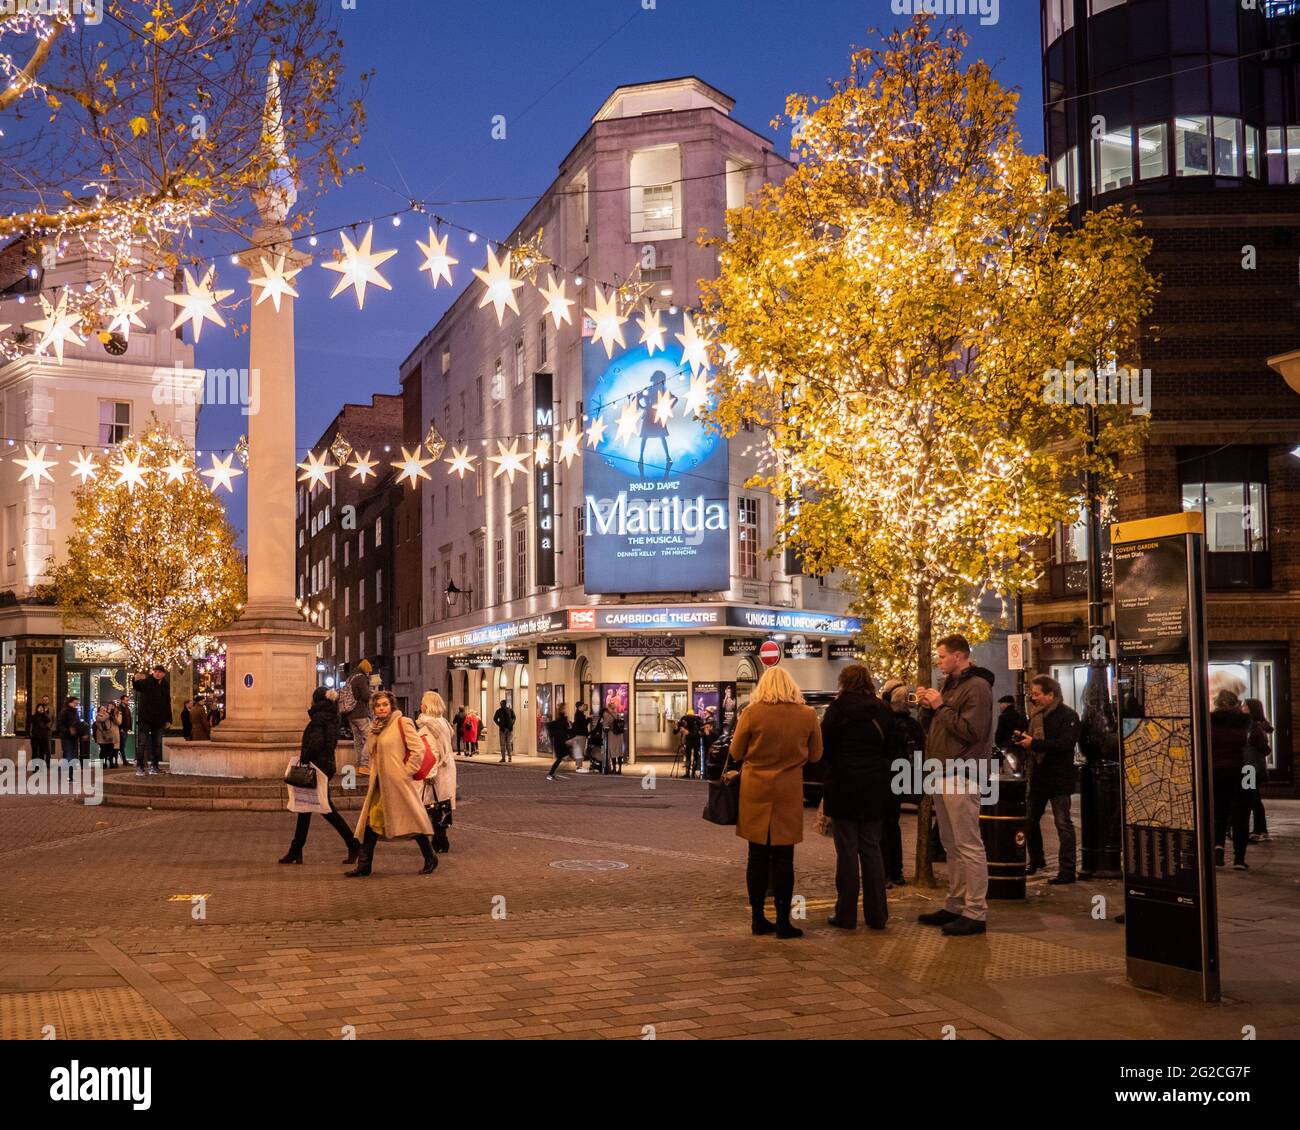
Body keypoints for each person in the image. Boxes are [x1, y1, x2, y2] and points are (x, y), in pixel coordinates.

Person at [729, 665, 823, 939]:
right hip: (788, 790)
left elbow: (735, 751)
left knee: (756, 855)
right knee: (784, 857)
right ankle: (784, 921)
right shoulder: (807, 715)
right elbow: (816, 755)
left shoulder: (751, 713)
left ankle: (758, 917)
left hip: (755, 789)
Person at [916, 634, 993, 936]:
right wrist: (927, 706)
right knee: (950, 844)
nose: (939, 660)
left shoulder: (977, 687)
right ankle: (956, 903)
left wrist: (939, 707)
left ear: (960, 656)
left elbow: (973, 731)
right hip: (943, 769)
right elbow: (935, 727)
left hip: (963, 771)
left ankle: (975, 911)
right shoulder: (951, 684)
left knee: (968, 844)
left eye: (943, 656)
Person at [821, 664, 897, 931]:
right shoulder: (882, 710)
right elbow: (895, 748)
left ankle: (846, 914)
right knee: (872, 850)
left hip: (843, 787)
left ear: (844, 682)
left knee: (846, 852)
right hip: (874, 788)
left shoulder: (837, 710)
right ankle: (877, 916)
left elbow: (824, 748)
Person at [347, 691, 437, 877]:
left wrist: (406, 772)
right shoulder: (376, 727)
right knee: (372, 822)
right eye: (378, 705)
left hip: (397, 783)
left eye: (385, 705)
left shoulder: (401, 722)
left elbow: (418, 749)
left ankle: (430, 856)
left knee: (411, 819)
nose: (382, 708)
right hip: (379, 784)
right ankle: (364, 865)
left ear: (392, 706)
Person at [279, 687, 362, 866]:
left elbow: (316, 743)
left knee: (326, 809)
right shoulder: (331, 716)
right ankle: (296, 850)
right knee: (305, 808)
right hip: (326, 765)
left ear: (316, 700)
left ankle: (353, 844)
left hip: (317, 767)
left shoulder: (318, 719)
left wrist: (305, 757)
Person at [1013, 675, 1080, 885]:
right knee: (1029, 821)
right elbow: (1035, 741)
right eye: (1032, 694)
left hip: (1059, 778)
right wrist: (1023, 739)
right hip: (1039, 777)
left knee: (1063, 824)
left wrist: (1035, 744)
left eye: (1037, 694)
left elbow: (1065, 744)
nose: (1033, 698)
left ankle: (1067, 870)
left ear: (1051, 695)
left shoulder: (1068, 715)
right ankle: (1036, 860)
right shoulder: (1036, 716)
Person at [886, 685, 925, 886]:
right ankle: (897, 871)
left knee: (886, 826)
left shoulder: (888, 724)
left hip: (889, 778)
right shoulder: (914, 725)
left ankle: (889, 872)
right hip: (906, 778)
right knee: (893, 826)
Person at [1210, 689, 1252, 870]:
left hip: (1217, 771)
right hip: (1244, 771)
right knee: (1242, 814)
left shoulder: (1210, 721)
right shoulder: (1245, 722)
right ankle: (1239, 858)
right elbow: (1259, 743)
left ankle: (1218, 847)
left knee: (1219, 811)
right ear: (1235, 703)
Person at [416, 692, 457, 853]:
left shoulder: (430, 725)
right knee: (443, 804)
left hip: (437, 769)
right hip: (447, 768)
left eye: (422, 703)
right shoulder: (443, 722)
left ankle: (438, 840)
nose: (420, 706)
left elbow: (432, 751)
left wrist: (429, 774)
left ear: (427, 706)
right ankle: (442, 839)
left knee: (433, 806)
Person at [131, 665, 172, 776]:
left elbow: (167, 703)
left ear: (164, 674)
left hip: (159, 720)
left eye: (160, 672)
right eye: (156, 671)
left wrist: (169, 719)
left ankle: (154, 766)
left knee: (157, 744)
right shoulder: (147, 681)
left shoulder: (165, 685)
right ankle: (140, 767)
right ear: (153, 672)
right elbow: (137, 686)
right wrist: (134, 679)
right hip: (145, 719)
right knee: (142, 743)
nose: (158, 673)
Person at [1244, 698, 1271, 842]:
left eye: (1245, 706)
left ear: (1250, 709)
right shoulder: (1255, 726)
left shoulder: (1253, 727)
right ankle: (1262, 829)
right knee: (1254, 798)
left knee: (1251, 798)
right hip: (1253, 765)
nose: (1242, 707)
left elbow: (1265, 749)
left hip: (1250, 767)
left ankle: (1257, 831)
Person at [345, 661, 373, 769]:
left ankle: (358, 765)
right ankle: (364, 764)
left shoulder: (351, 677)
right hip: (360, 713)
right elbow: (365, 696)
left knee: (358, 741)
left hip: (351, 714)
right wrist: (371, 693)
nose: (369, 673)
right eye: (369, 671)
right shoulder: (361, 678)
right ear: (366, 670)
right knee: (370, 737)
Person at [545, 705, 572, 781]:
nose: (566, 710)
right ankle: (550, 774)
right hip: (560, 741)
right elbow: (565, 730)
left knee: (561, 758)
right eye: (564, 708)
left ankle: (551, 773)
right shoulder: (562, 719)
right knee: (560, 758)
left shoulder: (560, 719)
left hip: (559, 741)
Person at [677, 707, 703, 779]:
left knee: (688, 756)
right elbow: (699, 731)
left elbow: (675, 731)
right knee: (695, 756)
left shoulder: (684, 719)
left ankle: (687, 773)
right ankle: (693, 773)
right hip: (696, 740)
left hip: (689, 740)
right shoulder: (697, 720)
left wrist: (685, 731)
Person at [57, 697, 84, 764]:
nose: (76, 704)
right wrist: (68, 731)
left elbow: (78, 723)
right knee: (69, 754)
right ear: (69, 703)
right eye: (75, 703)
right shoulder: (64, 712)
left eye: (77, 703)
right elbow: (60, 724)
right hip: (66, 737)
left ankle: (70, 771)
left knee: (73, 755)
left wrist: (80, 732)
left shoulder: (75, 712)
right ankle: (68, 772)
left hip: (74, 737)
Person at [93, 703, 120, 768]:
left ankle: (111, 763)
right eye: (102, 709)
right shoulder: (98, 716)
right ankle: (103, 764)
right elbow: (103, 719)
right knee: (103, 750)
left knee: (110, 749)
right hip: (102, 736)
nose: (104, 710)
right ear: (99, 710)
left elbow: (115, 722)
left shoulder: (107, 715)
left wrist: (113, 714)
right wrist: (108, 712)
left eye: (104, 709)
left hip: (109, 735)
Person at [493, 698, 516, 763]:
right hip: (503, 729)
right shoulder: (499, 711)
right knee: (503, 744)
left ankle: (509, 757)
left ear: (504, 704)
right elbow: (494, 718)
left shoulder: (509, 710)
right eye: (501, 704)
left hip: (508, 729)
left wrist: (511, 724)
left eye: (502, 704)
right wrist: (499, 724)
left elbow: (514, 717)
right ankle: (503, 758)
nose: (501, 705)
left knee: (507, 743)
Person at [30, 697, 52, 764]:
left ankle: (41, 766)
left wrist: (44, 713)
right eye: (39, 707)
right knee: (34, 752)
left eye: (41, 708)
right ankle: (34, 766)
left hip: (43, 737)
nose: (40, 708)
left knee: (42, 752)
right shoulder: (33, 716)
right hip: (35, 737)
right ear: (36, 708)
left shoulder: (44, 716)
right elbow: (31, 724)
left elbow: (48, 720)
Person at [568, 704, 589, 770]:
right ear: (579, 707)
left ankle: (578, 765)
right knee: (580, 750)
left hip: (578, 734)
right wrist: (589, 719)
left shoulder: (577, 714)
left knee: (578, 750)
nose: (585, 707)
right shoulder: (580, 715)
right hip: (581, 735)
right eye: (583, 705)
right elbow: (583, 724)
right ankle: (579, 766)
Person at [116, 696, 133, 766]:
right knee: (121, 746)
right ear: (122, 700)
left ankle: (123, 760)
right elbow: (118, 720)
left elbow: (129, 718)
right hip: (122, 730)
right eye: (126, 700)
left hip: (126, 729)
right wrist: (121, 728)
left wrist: (129, 728)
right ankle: (124, 761)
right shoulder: (119, 708)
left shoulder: (127, 708)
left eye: (128, 700)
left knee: (122, 745)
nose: (127, 702)